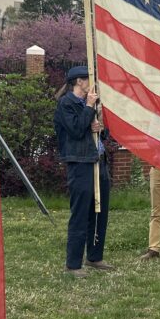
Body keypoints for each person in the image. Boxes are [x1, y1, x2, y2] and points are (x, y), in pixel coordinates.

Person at [53, 65, 114, 276]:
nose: (92, 83)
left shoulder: (92, 104)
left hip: (98, 160)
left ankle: (95, 256)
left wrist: (100, 128)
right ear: (79, 81)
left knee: (99, 211)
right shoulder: (66, 104)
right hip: (80, 163)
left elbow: (97, 133)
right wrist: (88, 108)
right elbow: (76, 130)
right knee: (80, 213)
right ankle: (73, 263)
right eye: (89, 79)